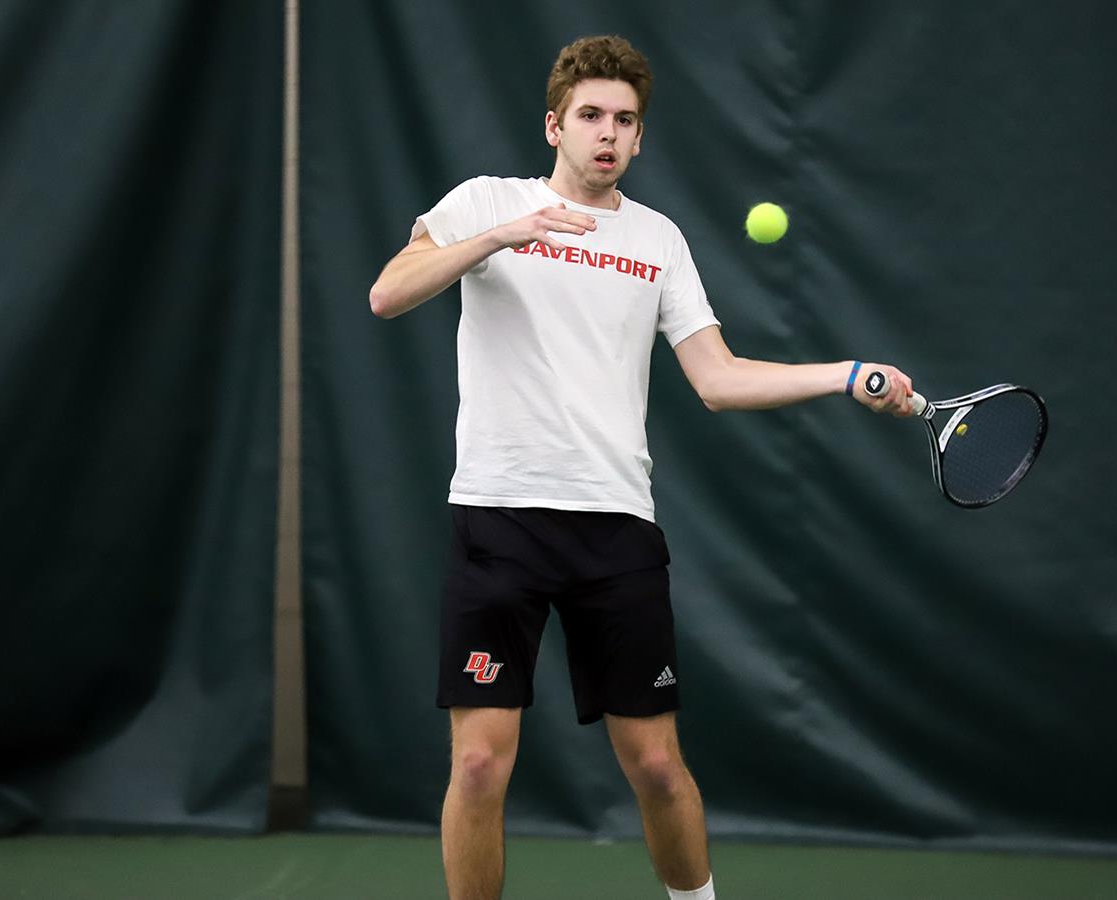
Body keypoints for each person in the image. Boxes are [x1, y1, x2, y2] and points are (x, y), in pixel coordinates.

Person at [369, 34, 914, 900]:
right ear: (554, 125)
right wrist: (503, 235)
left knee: (658, 766)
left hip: (617, 528)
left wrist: (844, 375)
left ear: (640, 138)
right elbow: (389, 292)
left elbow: (718, 378)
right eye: (590, 116)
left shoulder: (659, 240)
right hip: (498, 518)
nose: (608, 134)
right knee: (476, 766)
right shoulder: (485, 202)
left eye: (625, 120)